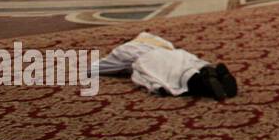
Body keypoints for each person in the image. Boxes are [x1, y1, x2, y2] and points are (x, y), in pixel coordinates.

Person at [94, 32, 237, 101]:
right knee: (193, 65)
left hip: (152, 59)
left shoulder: (123, 49)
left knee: (178, 79)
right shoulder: (152, 38)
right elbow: (170, 46)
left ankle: (205, 83)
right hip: (177, 54)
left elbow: (102, 66)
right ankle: (214, 73)